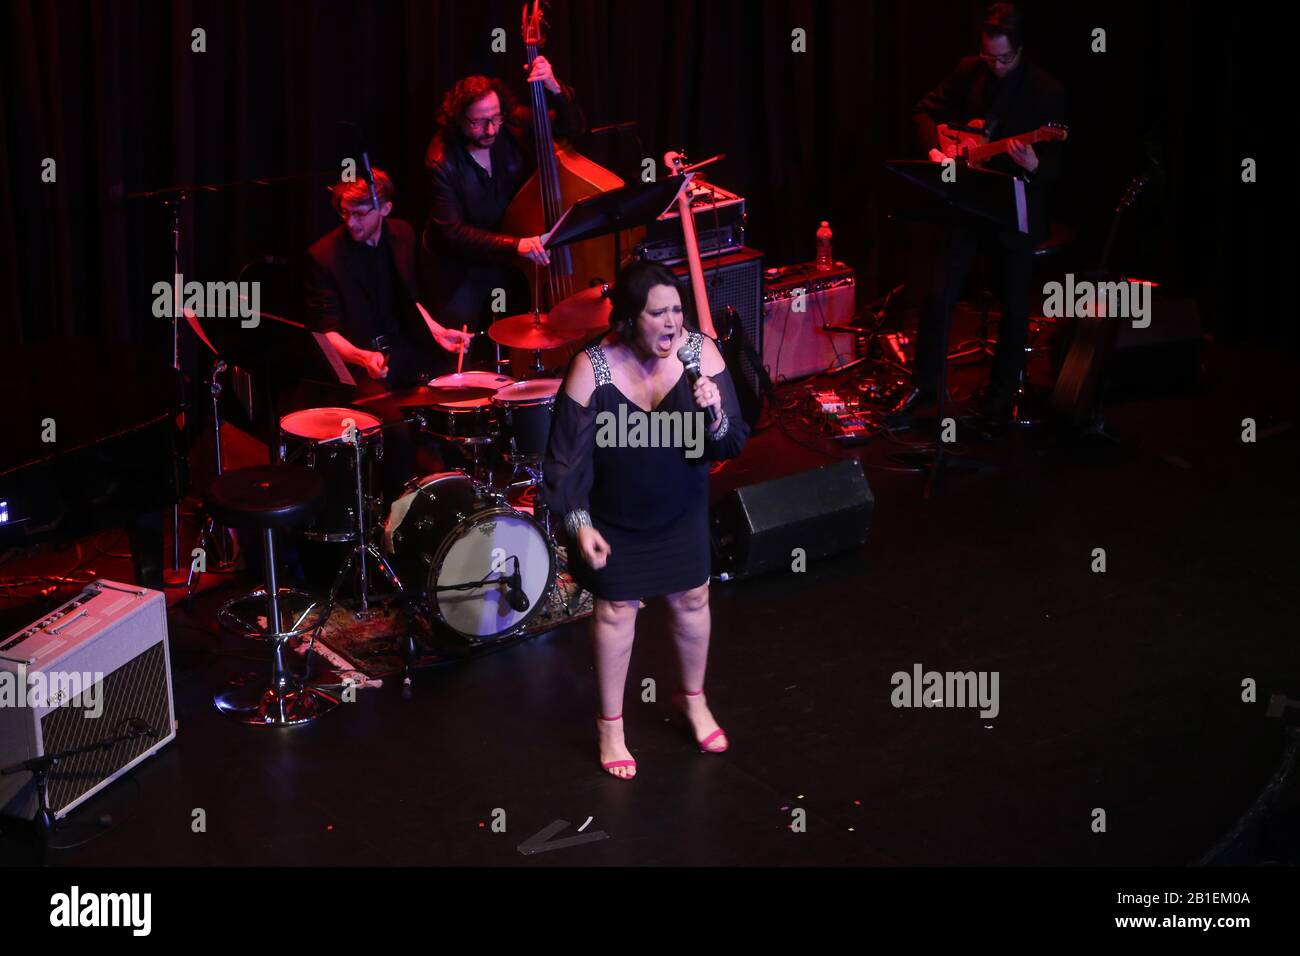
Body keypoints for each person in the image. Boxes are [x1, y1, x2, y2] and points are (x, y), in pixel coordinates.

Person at [542, 261, 749, 780]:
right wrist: (581, 522)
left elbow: (730, 441)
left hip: (681, 508)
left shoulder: (700, 355)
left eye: (677, 310)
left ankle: (693, 700)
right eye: (659, 313)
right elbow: (565, 460)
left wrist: (715, 412)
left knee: (693, 597)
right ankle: (611, 725)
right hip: (615, 517)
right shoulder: (594, 366)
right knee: (616, 612)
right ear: (631, 319)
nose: (673, 322)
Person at [892, 2, 1065, 431]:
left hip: (1015, 209)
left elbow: (1062, 166)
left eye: (1003, 58)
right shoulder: (970, 70)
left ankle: (1000, 401)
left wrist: (1034, 165)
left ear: (1020, 49)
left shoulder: (1046, 91)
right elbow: (924, 110)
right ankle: (925, 385)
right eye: (989, 56)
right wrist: (936, 150)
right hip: (970, 204)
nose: (996, 65)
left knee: (1014, 304)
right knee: (939, 293)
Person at [305, 168, 472, 495]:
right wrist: (363, 356)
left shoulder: (403, 235)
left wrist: (439, 333)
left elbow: (409, 301)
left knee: (460, 399)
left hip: (404, 351)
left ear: (385, 209)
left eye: (359, 213)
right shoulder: (323, 256)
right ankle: (394, 510)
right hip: (357, 365)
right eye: (344, 212)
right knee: (394, 431)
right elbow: (326, 333)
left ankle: (461, 496)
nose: (350, 221)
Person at [422, 58, 586, 360]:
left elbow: (572, 127)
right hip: (463, 264)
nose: (490, 129)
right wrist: (516, 245)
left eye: (495, 118)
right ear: (458, 118)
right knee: (459, 350)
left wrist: (552, 85)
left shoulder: (509, 125)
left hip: (513, 255)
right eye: (478, 122)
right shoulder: (440, 159)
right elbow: (451, 232)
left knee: (529, 334)